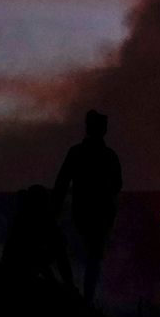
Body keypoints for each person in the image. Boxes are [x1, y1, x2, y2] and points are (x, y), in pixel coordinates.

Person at [54, 109, 122, 302]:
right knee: (93, 256)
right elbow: (117, 184)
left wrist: (55, 209)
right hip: (101, 214)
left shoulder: (76, 152)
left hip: (80, 212)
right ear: (104, 130)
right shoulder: (109, 156)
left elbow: (62, 182)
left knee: (78, 254)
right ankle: (87, 298)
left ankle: (76, 294)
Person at [3, 184, 73, 287]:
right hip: (19, 269)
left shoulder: (22, 219)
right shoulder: (42, 221)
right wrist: (67, 283)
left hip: (14, 268)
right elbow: (57, 254)